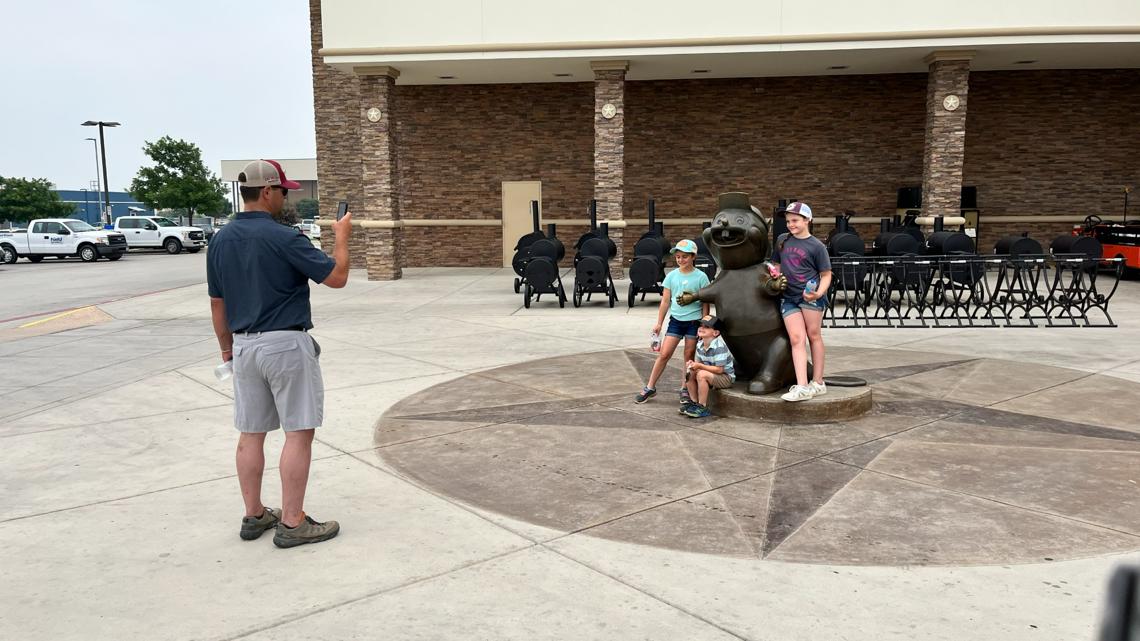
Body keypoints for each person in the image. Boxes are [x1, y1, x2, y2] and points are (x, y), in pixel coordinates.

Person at [207, 159, 352, 548]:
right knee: (298, 432)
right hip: (285, 343)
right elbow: (337, 277)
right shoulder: (285, 237)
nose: (286, 197)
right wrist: (342, 237)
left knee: (250, 433)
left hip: (243, 345)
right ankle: (292, 521)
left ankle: (254, 514)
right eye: (284, 190)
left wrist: (227, 349)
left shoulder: (220, 240)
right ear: (267, 191)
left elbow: (218, 303)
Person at [635, 240, 710, 405]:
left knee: (688, 356)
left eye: (684, 256)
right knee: (664, 354)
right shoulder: (671, 276)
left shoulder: (701, 277)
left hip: (694, 323)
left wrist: (704, 324)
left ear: (693, 257)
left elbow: (705, 302)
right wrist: (659, 323)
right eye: (678, 257)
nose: (681, 260)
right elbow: (665, 301)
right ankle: (650, 386)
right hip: (676, 321)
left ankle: (685, 388)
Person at [772, 201, 832, 402]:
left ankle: (818, 382)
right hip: (788, 297)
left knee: (813, 336)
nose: (791, 224)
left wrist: (818, 294)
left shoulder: (817, 246)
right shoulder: (782, 240)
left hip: (810, 298)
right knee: (796, 339)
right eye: (788, 221)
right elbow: (776, 265)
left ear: (808, 220)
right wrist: (775, 276)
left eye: (795, 220)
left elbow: (826, 274)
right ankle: (803, 386)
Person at [681, 314, 735, 418]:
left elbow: (719, 370)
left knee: (701, 374)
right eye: (700, 325)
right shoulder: (700, 345)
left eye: (706, 327)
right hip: (711, 374)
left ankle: (702, 407)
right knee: (690, 371)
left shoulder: (719, 347)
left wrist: (699, 366)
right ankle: (694, 402)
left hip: (725, 377)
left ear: (716, 333)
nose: (701, 328)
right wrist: (692, 365)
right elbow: (698, 364)